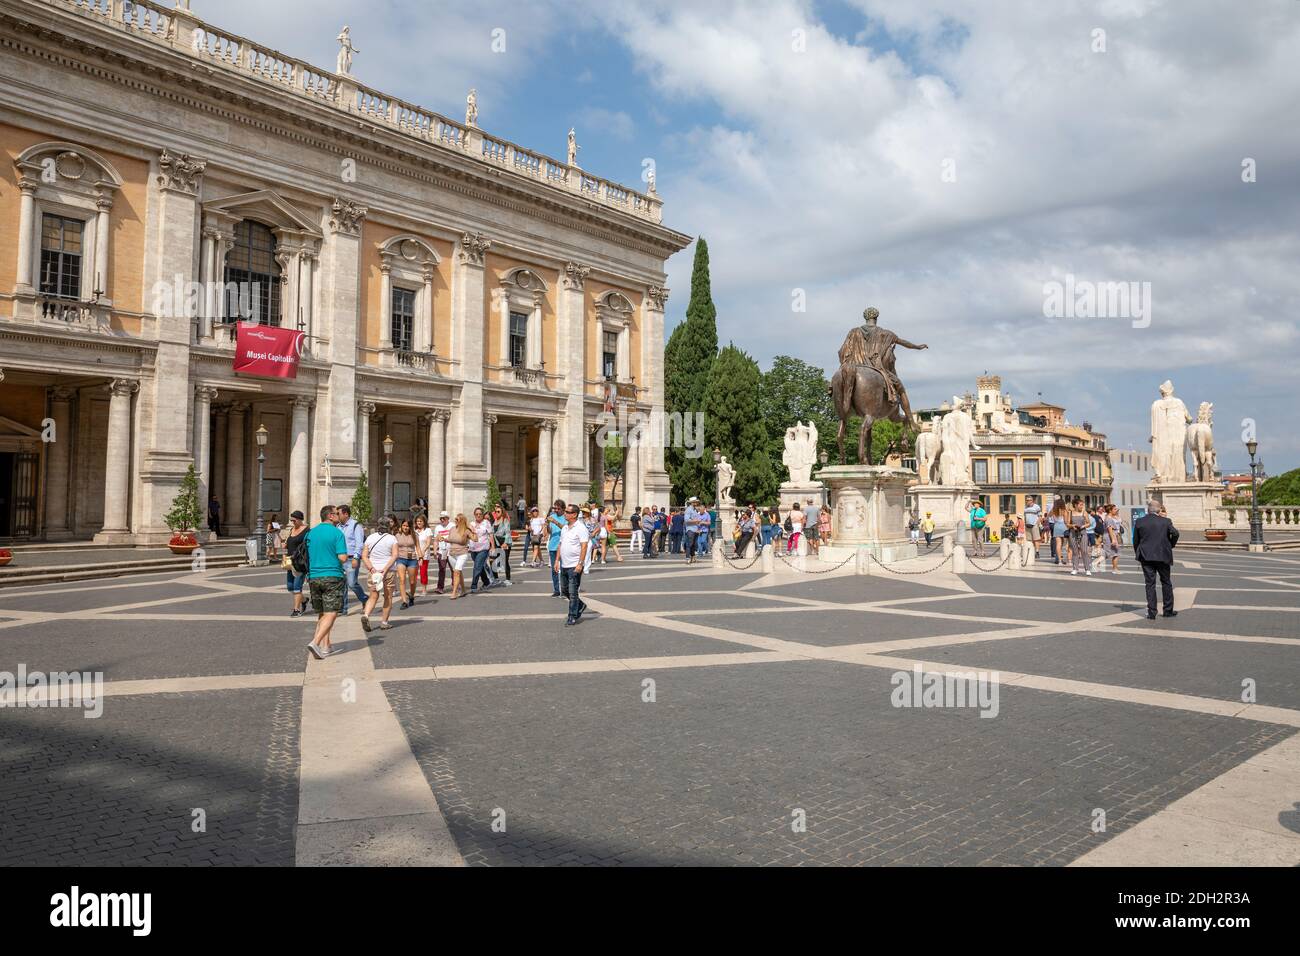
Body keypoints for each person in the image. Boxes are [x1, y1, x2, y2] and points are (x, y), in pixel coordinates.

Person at [305, 504, 349, 659]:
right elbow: (342, 557)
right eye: (337, 513)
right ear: (330, 516)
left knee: (322, 613)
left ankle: (325, 646)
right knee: (331, 613)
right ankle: (316, 642)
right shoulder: (337, 533)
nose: (339, 515)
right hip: (332, 576)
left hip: (314, 577)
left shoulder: (310, 533)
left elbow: (306, 556)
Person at [1133, 498, 1179, 618]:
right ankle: (1168, 610)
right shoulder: (1166, 521)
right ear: (1158, 510)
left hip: (1146, 556)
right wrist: (1171, 545)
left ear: (1148, 510)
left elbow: (1135, 540)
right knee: (1166, 582)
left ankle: (1152, 612)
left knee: (1150, 584)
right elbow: (1175, 533)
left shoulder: (1139, 521)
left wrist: (1138, 552)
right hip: (1163, 555)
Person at [555, 502, 590, 626]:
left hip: (575, 565)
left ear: (574, 514)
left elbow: (584, 546)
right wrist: (556, 560)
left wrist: (580, 564)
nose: (565, 513)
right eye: (565, 511)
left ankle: (572, 616)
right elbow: (560, 544)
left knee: (573, 591)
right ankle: (580, 605)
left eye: (568, 512)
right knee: (564, 590)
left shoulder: (581, 528)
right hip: (564, 565)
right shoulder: (565, 527)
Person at [360, 515, 398, 632]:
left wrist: (372, 569)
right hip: (388, 571)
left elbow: (364, 556)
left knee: (373, 595)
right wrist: (385, 569)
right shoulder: (392, 539)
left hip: (374, 572)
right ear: (388, 526)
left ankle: (366, 615)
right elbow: (394, 555)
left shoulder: (370, 538)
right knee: (388, 596)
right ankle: (384, 622)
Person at [338, 505, 367, 614]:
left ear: (346, 514)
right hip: (340, 558)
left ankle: (365, 599)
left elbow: (359, 544)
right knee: (341, 584)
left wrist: (356, 557)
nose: (337, 516)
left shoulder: (356, 525)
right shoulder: (338, 527)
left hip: (351, 558)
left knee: (351, 583)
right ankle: (343, 609)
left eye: (338, 513)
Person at [282, 510, 309, 618]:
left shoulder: (307, 531)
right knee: (290, 587)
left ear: (299, 519)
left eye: (294, 520)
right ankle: (304, 600)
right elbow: (288, 544)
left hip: (300, 563)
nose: (292, 522)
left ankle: (296, 610)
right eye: (291, 520)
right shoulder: (292, 529)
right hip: (290, 562)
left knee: (297, 587)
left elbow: (308, 547)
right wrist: (284, 548)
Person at [468, 507, 495, 593]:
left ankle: (474, 586)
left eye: (480, 514)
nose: (478, 515)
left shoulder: (486, 522)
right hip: (473, 549)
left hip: (483, 548)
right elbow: (468, 535)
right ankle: (486, 582)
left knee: (477, 566)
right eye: (477, 514)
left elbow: (490, 535)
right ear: (474, 515)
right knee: (480, 566)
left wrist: (493, 546)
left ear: (482, 515)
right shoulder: (471, 523)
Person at [445, 513, 472, 599]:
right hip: (452, 554)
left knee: (456, 572)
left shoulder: (466, 530)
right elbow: (450, 539)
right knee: (458, 572)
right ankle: (463, 590)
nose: (455, 521)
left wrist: (473, 534)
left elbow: (475, 538)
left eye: (457, 520)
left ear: (461, 521)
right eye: (455, 519)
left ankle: (454, 592)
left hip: (462, 553)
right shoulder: (452, 529)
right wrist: (443, 539)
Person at [394, 518, 419, 608]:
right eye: (404, 525)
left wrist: (420, 557)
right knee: (402, 580)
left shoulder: (414, 535)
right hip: (401, 558)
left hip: (412, 559)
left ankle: (411, 596)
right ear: (401, 526)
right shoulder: (397, 535)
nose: (405, 527)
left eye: (407, 526)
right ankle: (404, 601)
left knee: (412, 582)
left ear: (410, 527)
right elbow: (394, 547)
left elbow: (418, 547)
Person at [546, 499, 566, 596]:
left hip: (563, 546)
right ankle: (556, 590)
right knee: (554, 570)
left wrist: (554, 522)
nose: (556, 510)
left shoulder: (566, 517)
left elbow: (566, 529)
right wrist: (547, 525)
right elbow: (550, 532)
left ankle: (564, 589)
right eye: (555, 508)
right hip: (553, 546)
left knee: (564, 568)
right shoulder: (552, 516)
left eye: (558, 508)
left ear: (563, 509)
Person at [491, 503, 513, 586]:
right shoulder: (494, 522)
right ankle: (496, 579)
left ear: (502, 512)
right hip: (497, 542)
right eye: (495, 512)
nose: (496, 513)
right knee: (492, 560)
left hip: (505, 542)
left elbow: (507, 532)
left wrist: (505, 543)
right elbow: (492, 533)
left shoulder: (505, 521)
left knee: (505, 561)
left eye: (498, 512)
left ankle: (508, 579)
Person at [1067, 498, 1091, 576]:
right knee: (1075, 551)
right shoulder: (1070, 513)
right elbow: (1067, 524)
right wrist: (1072, 526)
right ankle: (1075, 569)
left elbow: (1088, 523)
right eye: (1081, 505)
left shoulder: (1084, 513)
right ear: (1076, 505)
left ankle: (1087, 569)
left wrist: (1083, 526)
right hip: (1073, 533)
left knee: (1084, 551)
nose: (1082, 506)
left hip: (1083, 533)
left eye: (1082, 505)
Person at [414, 514, 434, 597]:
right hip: (414, 555)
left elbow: (428, 543)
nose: (419, 523)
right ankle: (413, 589)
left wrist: (423, 551)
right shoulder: (414, 530)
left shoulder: (427, 530)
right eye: (417, 521)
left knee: (423, 572)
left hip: (424, 555)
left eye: (420, 521)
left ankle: (424, 589)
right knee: (413, 573)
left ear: (424, 522)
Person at [432, 511, 452, 593]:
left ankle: (455, 585)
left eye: (444, 518)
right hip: (442, 551)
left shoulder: (452, 526)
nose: (442, 520)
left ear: (448, 518)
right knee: (442, 569)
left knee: (454, 569)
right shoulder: (437, 528)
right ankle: (440, 587)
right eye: (441, 518)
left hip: (451, 551)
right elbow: (435, 541)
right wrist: (434, 551)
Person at [683, 498, 707, 564]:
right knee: (689, 544)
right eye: (695, 502)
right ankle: (687, 557)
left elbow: (696, 519)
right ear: (692, 502)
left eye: (697, 502)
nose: (696, 503)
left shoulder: (695, 510)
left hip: (695, 529)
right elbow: (686, 520)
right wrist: (696, 521)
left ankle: (692, 557)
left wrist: (698, 528)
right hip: (690, 529)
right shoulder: (688, 510)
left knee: (693, 544)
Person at [1102, 503, 1123, 575]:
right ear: (1110, 511)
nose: (1115, 510)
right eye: (1114, 509)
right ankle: (1115, 569)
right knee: (1113, 553)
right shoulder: (1109, 519)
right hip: (1110, 537)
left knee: (1114, 553)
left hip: (1110, 536)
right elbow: (1110, 530)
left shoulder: (1109, 518)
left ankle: (1115, 569)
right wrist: (1113, 540)